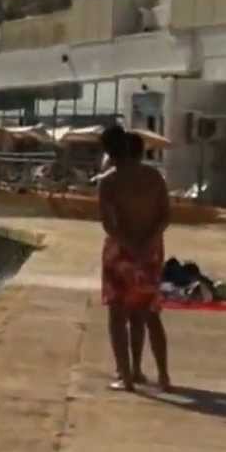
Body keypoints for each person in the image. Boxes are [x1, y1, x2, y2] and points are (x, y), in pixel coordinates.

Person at [99, 127, 172, 392]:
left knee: (117, 315)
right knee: (147, 314)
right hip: (150, 251)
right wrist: (149, 242)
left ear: (109, 152)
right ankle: (161, 375)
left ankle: (126, 375)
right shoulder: (154, 177)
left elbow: (109, 225)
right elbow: (165, 216)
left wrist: (129, 245)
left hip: (121, 253)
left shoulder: (108, 181)